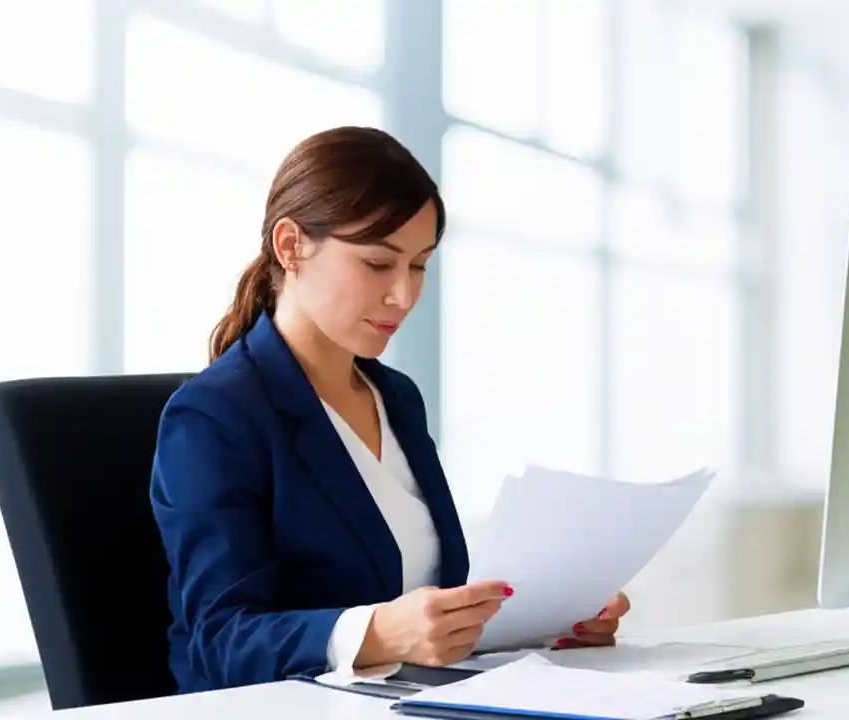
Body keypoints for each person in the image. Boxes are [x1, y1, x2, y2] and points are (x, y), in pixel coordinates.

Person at [150, 126, 630, 692]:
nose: (403, 295)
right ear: (290, 246)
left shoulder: (396, 397)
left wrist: (550, 621)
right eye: (378, 264)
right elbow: (220, 640)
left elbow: (431, 602)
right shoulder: (214, 417)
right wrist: (375, 632)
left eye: (420, 265)